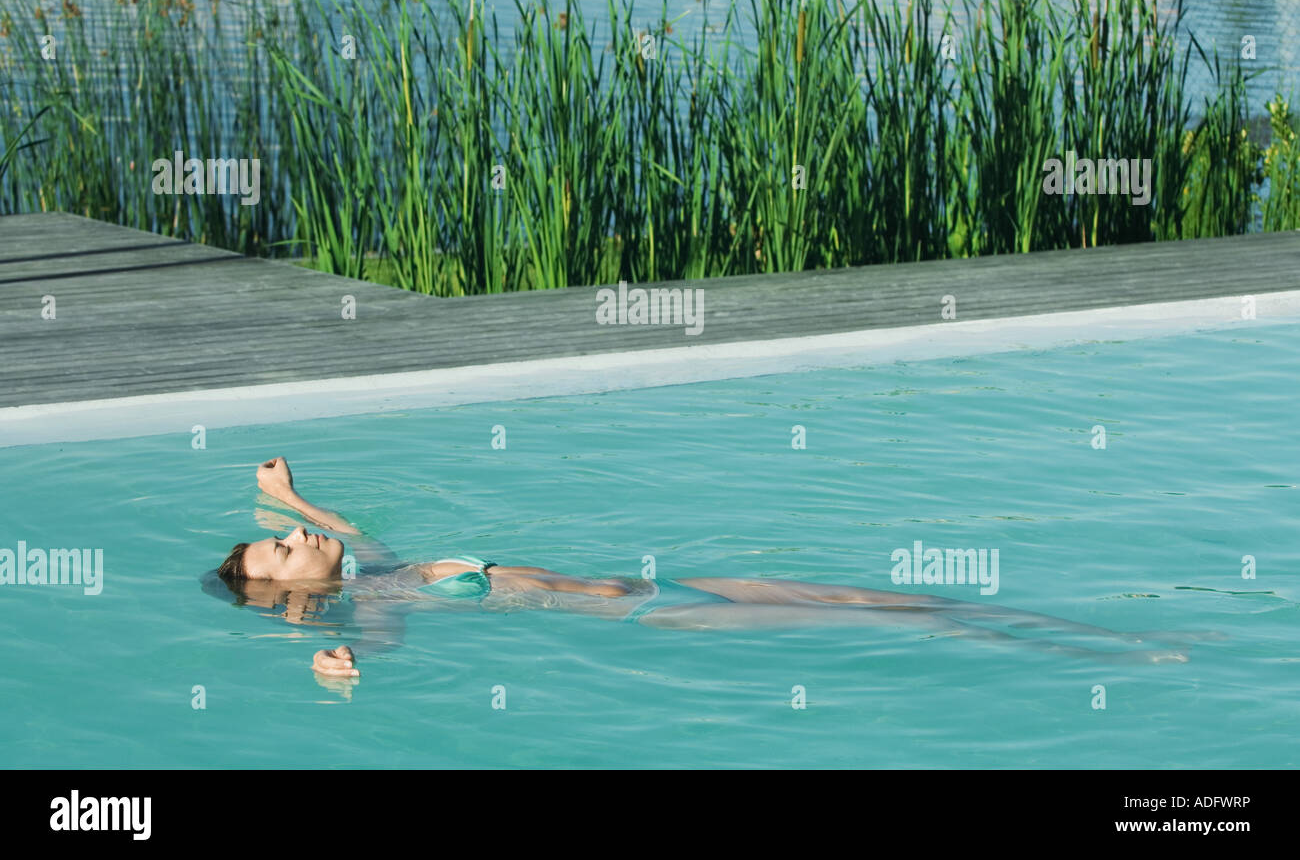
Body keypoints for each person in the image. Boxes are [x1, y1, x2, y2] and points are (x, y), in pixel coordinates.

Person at [209, 457, 1196, 683]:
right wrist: (340, 660)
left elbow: (345, 525)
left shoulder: (377, 560)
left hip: (656, 586)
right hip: (655, 622)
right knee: (884, 614)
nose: (299, 544)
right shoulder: (375, 599)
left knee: (900, 596)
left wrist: (292, 498)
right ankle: (1120, 654)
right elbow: (380, 637)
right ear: (292, 596)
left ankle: (1115, 638)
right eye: (283, 553)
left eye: (284, 536)